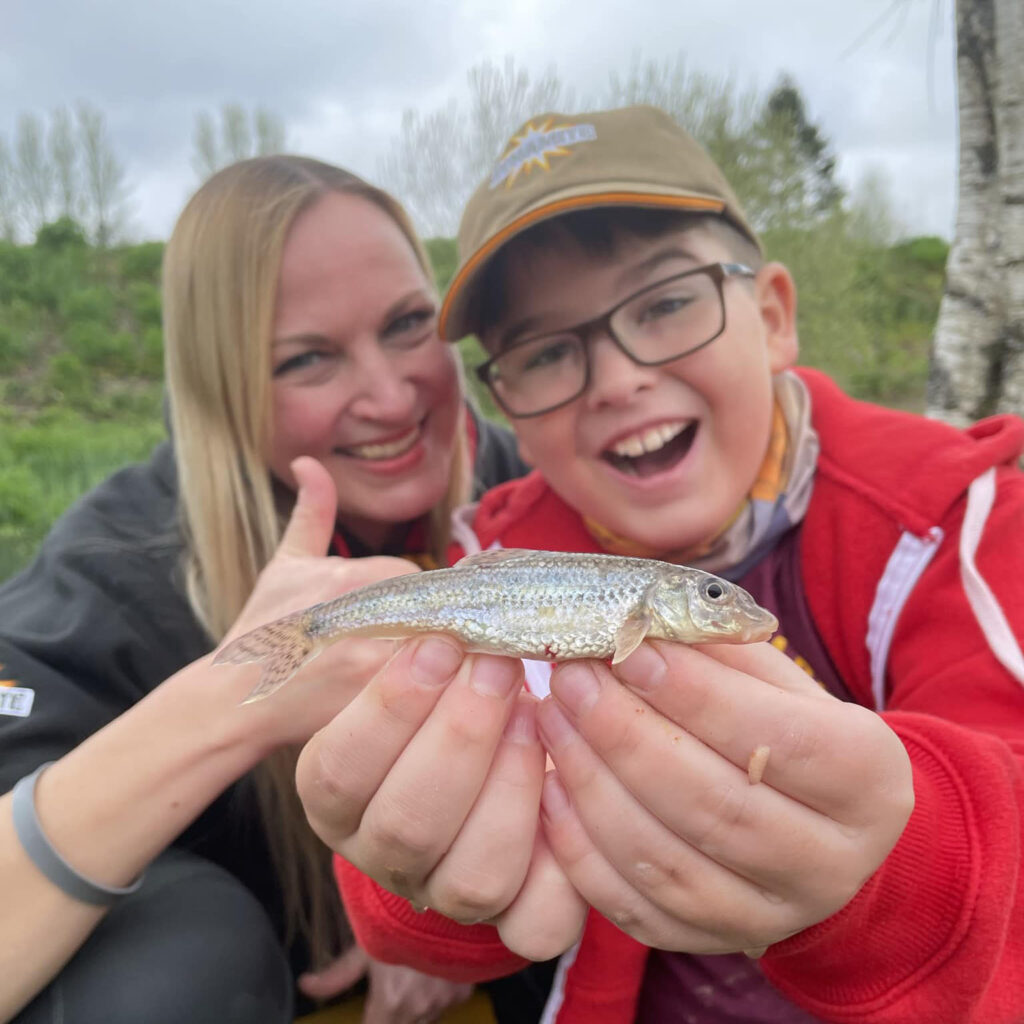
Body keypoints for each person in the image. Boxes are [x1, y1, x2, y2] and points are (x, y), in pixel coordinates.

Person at [296, 106, 1024, 1022]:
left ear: (772, 316)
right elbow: (421, 908)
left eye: (667, 302)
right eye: (545, 351)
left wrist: (897, 872)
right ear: (508, 408)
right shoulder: (492, 551)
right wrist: (417, 875)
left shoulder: (952, 519)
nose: (615, 379)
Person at [0, 155, 529, 1024]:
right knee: (184, 964)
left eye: (407, 325)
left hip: (476, 976)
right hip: (270, 985)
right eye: (308, 360)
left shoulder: (516, 489)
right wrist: (234, 695)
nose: (392, 397)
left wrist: (431, 913)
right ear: (223, 390)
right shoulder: (117, 568)